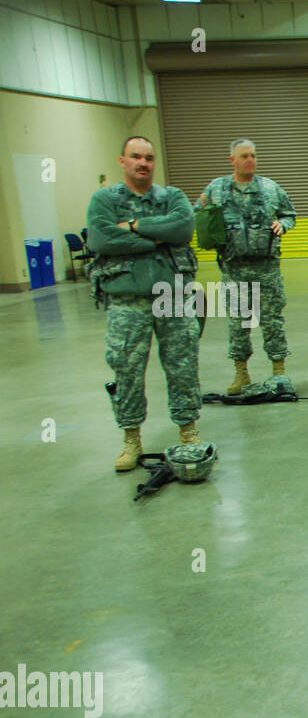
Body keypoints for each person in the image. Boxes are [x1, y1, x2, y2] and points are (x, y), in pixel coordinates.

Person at [86, 135, 201, 471]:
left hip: (172, 295)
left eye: (149, 158)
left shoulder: (172, 197)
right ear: (122, 161)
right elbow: (102, 238)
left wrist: (135, 227)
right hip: (127, 299)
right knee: (127, 369)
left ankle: (188, 431)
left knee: (182, 365)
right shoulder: (105, 200)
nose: (143, 163)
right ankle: (131, 438)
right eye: (135, 157)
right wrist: (156, 239)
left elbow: (183, 229)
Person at [196, 139, 296, 393]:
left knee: (272, 321)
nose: (250, 160)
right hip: (234, 270)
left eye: (253, 155)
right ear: (232, 160)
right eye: (244, 156)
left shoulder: (271, 188)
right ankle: (242, 374)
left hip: (267, 270)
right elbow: (200, 214)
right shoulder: (216, 189)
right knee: (238, 324)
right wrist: (211, 234)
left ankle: (279, 373)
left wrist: (283, 224)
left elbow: (289, 213)